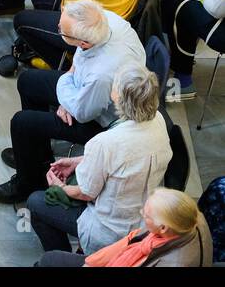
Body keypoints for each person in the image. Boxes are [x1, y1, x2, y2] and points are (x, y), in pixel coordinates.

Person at [0, 0, 145, 203]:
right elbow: (79, 61)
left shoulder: (102, 74)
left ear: (83, 41)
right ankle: (38, 160)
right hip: (83, 94)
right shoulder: (104, 20)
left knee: (22, 122)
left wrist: (70, 100)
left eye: (61, 30)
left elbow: (83, 113)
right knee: (28, 81)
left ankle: (27, 183)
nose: (57, 28)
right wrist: (68, 99)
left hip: (104, 124)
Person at [25, 63, 170, 253]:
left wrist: (60, 188)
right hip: (145, 223)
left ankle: (66, 261)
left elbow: (86, 192)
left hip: (109, 231)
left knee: (36, 203)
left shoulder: (103, 143)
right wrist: (79, 161)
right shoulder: (159, 121)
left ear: (118, 97)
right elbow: (123, 160)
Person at [39, 187, 215, 266]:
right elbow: (132, 239)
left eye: (146, 215)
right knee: (49, 261)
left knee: (48, 261)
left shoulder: (174, 263)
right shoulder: (189, 217)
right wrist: (92, 262)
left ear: (162, 228)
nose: (141, 214)